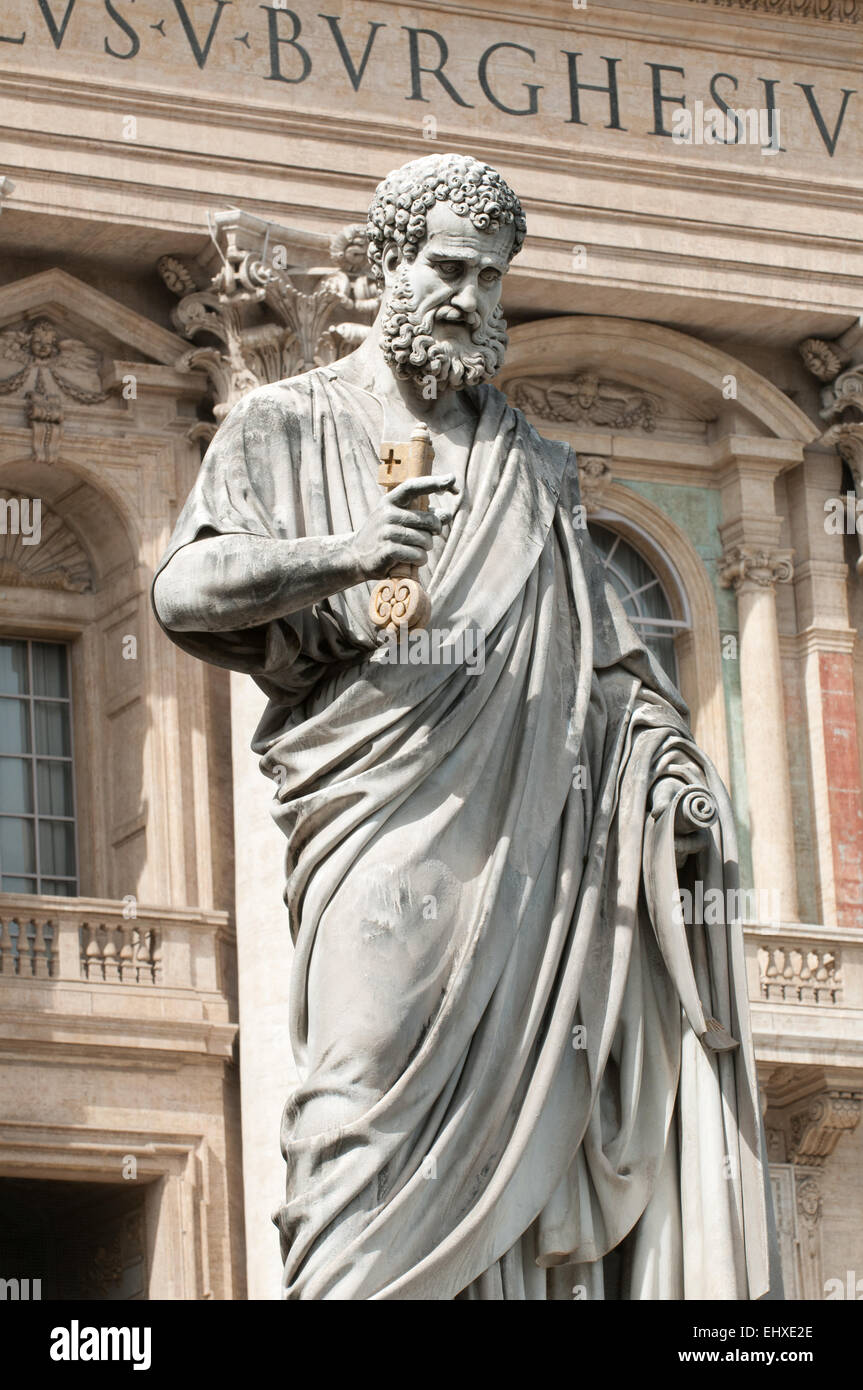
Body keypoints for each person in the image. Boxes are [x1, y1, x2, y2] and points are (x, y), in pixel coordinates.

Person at [152, 152, 779, 1301]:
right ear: (386, 263)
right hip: (380, 817)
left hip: (530, 840)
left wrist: (667, 780)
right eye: (447, 266)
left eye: (490, 279)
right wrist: (345, 552)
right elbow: (184, 594)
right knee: (361, 1087)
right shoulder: (287, 418)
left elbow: (606, 664)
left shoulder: (532, 464)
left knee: (522, 1117)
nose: (469, 298)